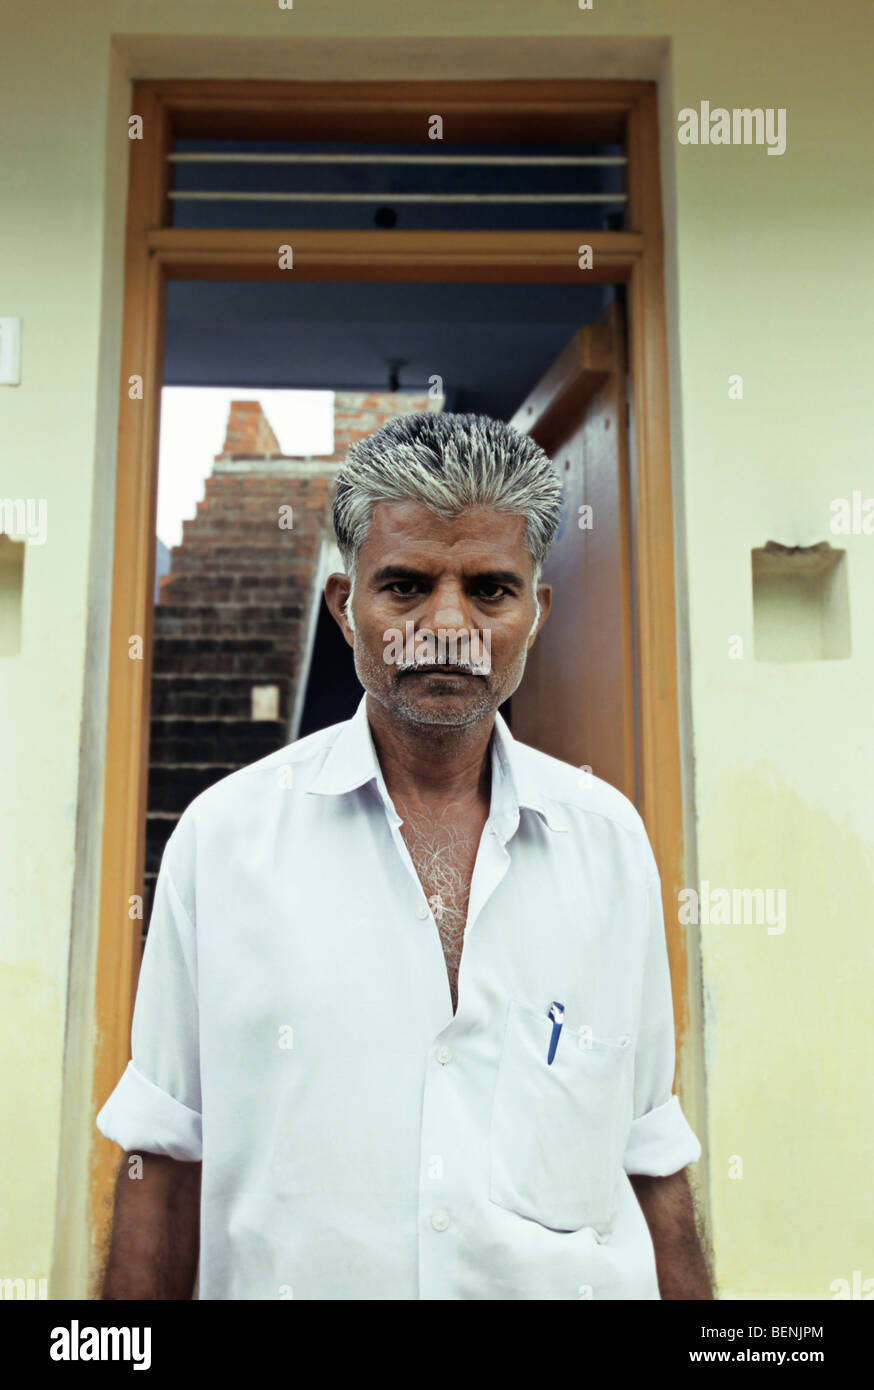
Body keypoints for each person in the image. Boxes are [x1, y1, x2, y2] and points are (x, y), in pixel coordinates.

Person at [98, 411, 712, 1300]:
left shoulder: (608, 842)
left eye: (491, 590)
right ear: (346, 608)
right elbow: (163, 1160)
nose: (448, 625)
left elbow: (651, 1158)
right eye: (408, 585)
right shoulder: (225, 841)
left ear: (536, 614)